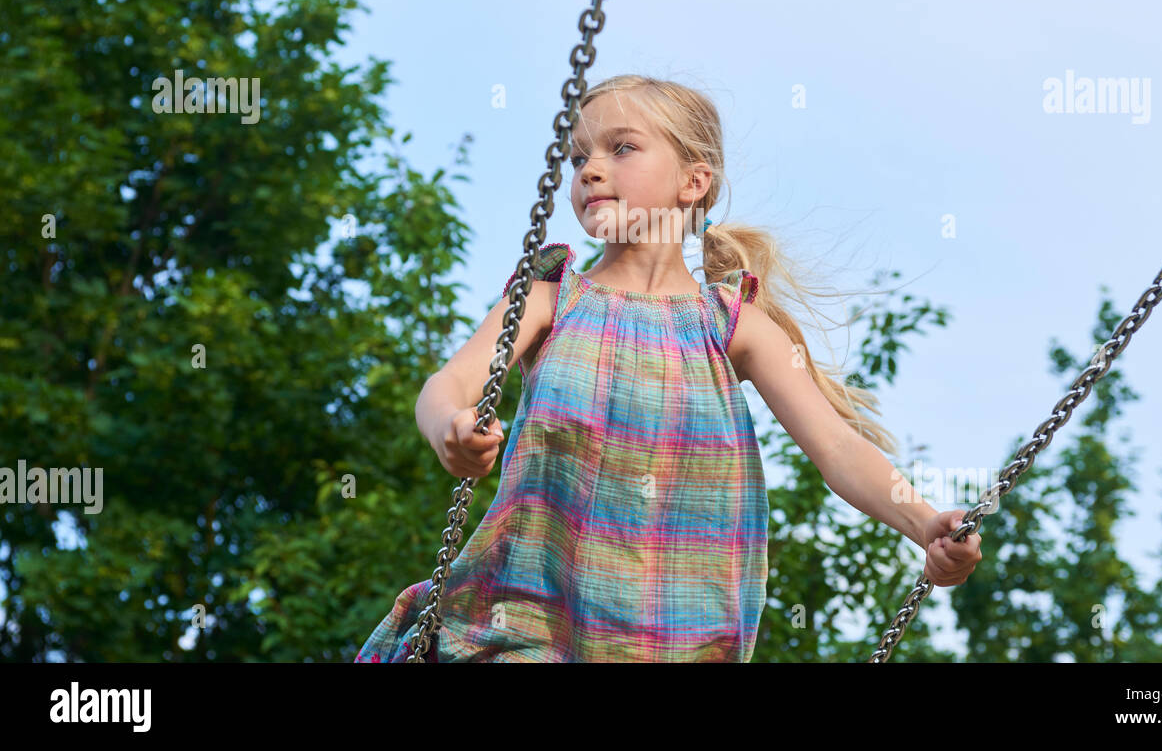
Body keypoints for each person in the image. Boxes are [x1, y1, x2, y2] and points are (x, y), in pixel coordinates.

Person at [354, 75, 981, 662]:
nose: (590, 169)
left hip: (676, 635)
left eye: (621, 147)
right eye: (577, 159)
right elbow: (450, 384)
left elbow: (838, 447)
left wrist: (924, 521)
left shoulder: (732, 324)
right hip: (528, 617)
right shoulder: (549, 297)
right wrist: (450, 430)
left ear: (693, 181)